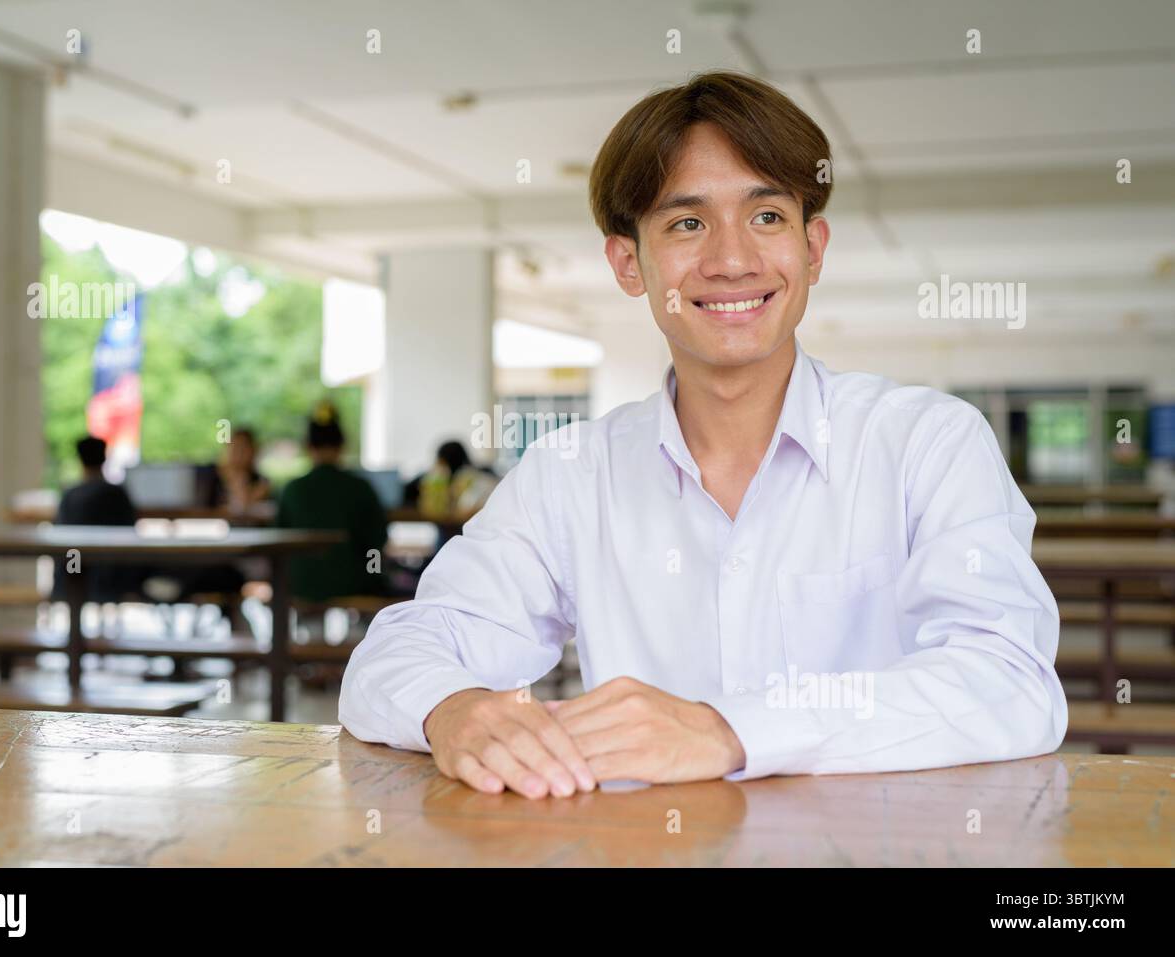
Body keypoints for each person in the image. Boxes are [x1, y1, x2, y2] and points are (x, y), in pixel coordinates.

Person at [339, 71, 1067, 798]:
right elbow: (399, 653)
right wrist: (452, 709)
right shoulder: (570, 473)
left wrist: (727, 730)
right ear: (630, 262)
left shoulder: (927, 444)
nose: (731, 259)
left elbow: (1009, 680)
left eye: (767, 217)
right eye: (686, 223)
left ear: (814, 248)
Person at [276, 402, 389, 602]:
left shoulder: (292, 489)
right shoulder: (360, 488)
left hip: (301, 584)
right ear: (342, 445)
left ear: (308, 446)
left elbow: (278, 538)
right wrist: (374, 574)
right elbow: (377, 540)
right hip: (352, 582)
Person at [52, 435, 144, 603]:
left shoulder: (71, 495)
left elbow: (61, 537)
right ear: (104, 458)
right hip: (113, 575)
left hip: (75, 572)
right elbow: (132, 532)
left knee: (73, 556)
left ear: (80, 460)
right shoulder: (117, 494)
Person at [196, 427, 272, 514]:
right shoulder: (210, 475)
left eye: (243, 449)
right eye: (235, 448)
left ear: (254, 451)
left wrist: (238, 481)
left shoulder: (261, 481)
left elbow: (244, 505)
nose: (239, 454)